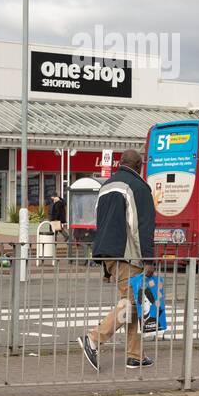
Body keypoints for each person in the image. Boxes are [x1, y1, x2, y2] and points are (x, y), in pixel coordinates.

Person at [78, 149, 155, 371]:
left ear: (121, 163)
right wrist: (148, 259)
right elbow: (142, 227)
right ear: (139, 164)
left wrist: (104, 266)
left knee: (131, 302)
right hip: (129, 254)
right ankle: (94, 338)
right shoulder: (138, 188)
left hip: (108, 254)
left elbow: (102, 224)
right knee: (130, 304)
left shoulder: (106, 186)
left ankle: (135, 355)